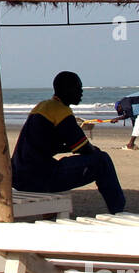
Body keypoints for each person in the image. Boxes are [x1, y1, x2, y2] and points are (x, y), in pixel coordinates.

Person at [11, 71, 126, 213]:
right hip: (38, 179)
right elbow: (83, 148)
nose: (81, 92)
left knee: (91, 159)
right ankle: (118, 210)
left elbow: (50, 145)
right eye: (78, 88)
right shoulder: (61, 112)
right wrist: (94, 150)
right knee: (102, 160)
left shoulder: (42, 107)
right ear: (66, 89)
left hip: (19, 176)